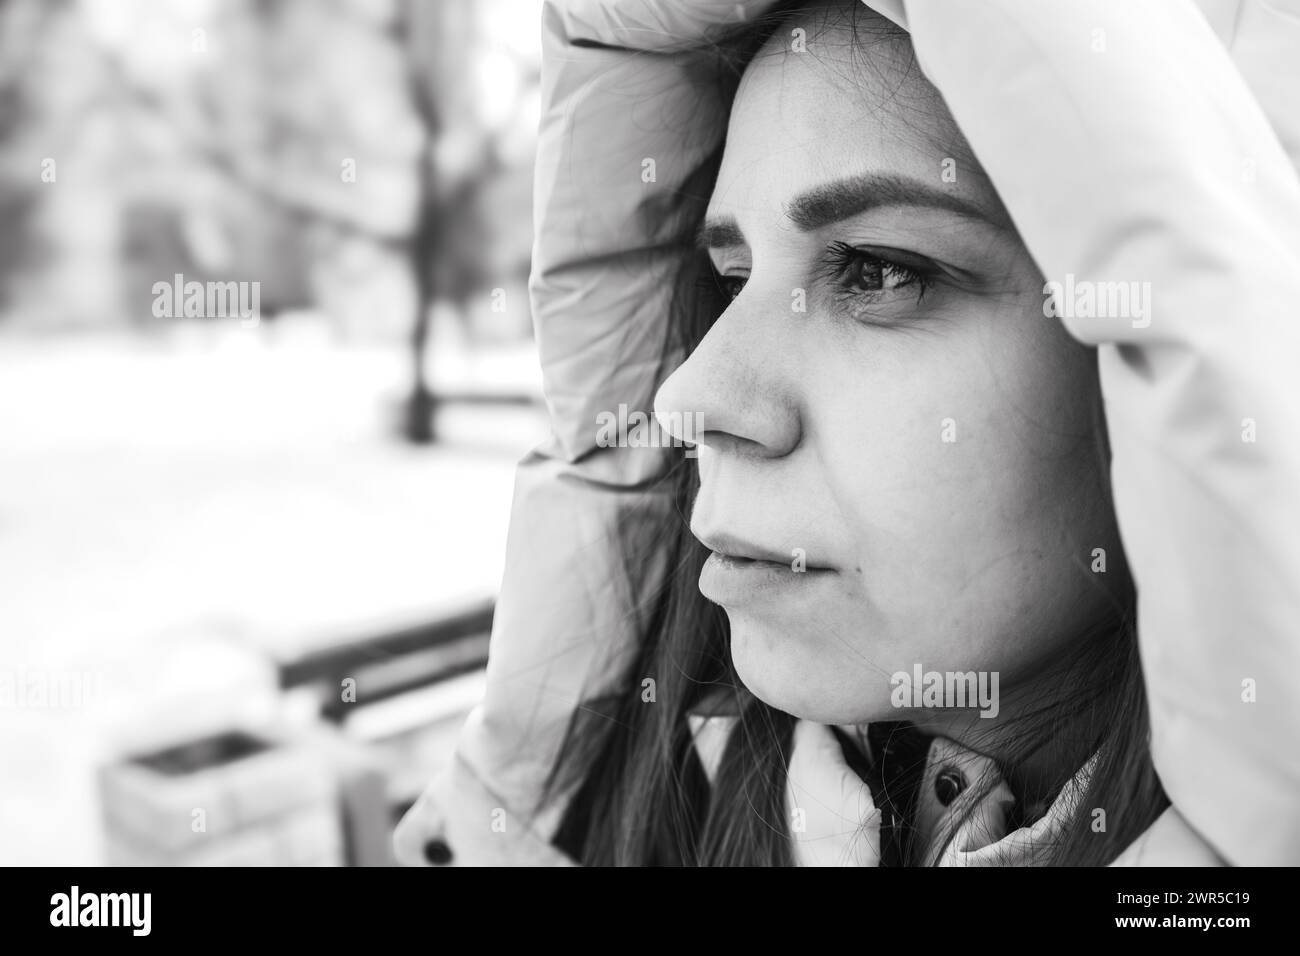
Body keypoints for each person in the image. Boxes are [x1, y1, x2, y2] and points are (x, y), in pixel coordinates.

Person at [395, 0, 1300, 866]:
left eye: (878, 272)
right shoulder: (656, 809)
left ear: (1159, 367)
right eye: (732, 275)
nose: (688, 398)